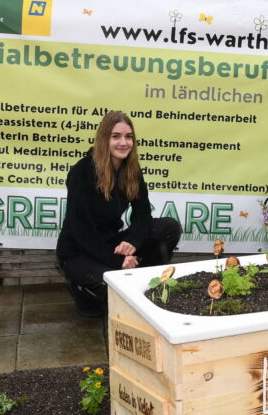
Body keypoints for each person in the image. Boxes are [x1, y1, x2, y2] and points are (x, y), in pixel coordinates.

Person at [56, 111, 182, 317]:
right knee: (114, 293)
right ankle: (83, 292)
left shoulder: (131, 169)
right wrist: (117, 261)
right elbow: (80, 229)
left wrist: (133, 240)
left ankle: (146, 284)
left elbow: (142, 212)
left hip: (111, 243)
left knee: (168, 228)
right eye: (116, 136)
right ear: (104, 139)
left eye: (128, 136)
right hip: (79, 251)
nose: (123, 142)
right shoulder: (82, 172)